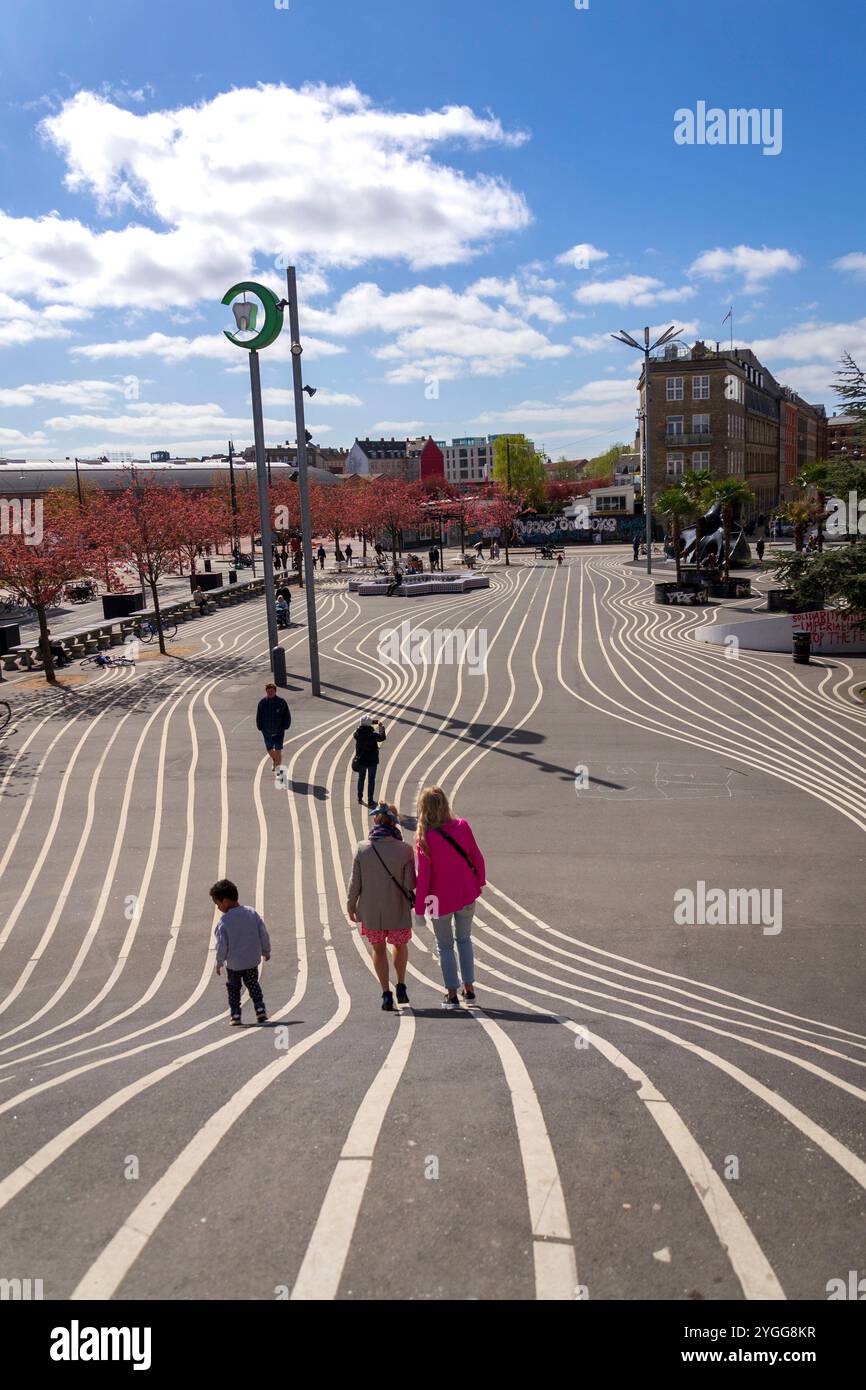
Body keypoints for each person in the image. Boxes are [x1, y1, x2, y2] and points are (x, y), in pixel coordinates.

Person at [414, 786, 486, 1010]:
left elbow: (424, 877)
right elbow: (477, 856)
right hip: (465, 892)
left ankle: (452, 994)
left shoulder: (424, 838)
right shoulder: (462, 826)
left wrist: (419, 909)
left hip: (438, 900)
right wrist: (479, 882)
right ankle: (470, 990)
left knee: (444, 945)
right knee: (464, 940)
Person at [347, 804, 416, 1011]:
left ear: (375, 821)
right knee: (400, 945)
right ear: (395, 823)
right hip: (397, 908)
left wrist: (351, 904)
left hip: (371, 910)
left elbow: (355, 882)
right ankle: (401, 984)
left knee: (378, 948)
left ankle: (386, 993)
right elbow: (410, 884)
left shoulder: (362, 848)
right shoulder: (405, 850)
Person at [210, 879, 270, 1025]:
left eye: (217, 904)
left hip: (235, 965)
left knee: (234, 989)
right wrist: (266, 950)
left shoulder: (224, 921)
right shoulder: (251, 912)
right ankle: (260, 1009)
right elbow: (263, 932)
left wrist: (219, 961)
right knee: (253, 984)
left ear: (224, 901)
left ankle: (236, 1014)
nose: (218, 908)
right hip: (251, 961)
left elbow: (222, 945)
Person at [256, 682, 291, 770]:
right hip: (266, 731)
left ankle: (279, 772)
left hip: (279, 731)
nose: (270, 693)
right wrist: (259, 726)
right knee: (269, 749)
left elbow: (287, 715)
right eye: (268, 692)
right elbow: (258, 716)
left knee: (278, 750)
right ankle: (275, 760)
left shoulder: (281, 702)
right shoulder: (262, 703)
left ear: (275, 691)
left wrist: (286, 725)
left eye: (271, 692)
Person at [354, 715, 385, 806]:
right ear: (369, 725)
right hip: (372, 761)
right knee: (371, 780)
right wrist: (381, 727)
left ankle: (360, 798)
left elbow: (362, 725)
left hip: (362, 760)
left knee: (361, 779)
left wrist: (371, 722)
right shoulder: (372, 735)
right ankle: (370, 800)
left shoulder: (357, 734)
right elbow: (382, 737)